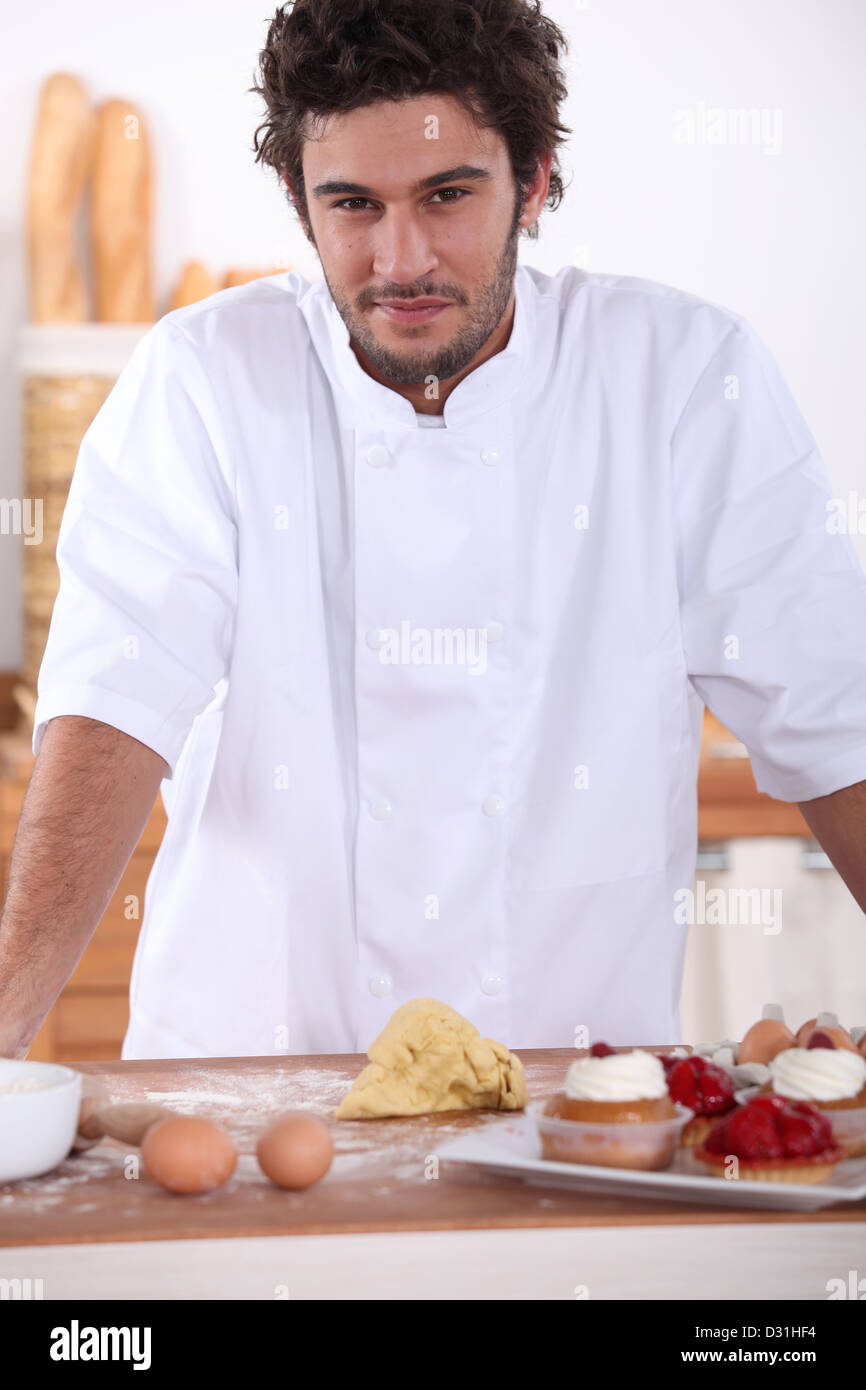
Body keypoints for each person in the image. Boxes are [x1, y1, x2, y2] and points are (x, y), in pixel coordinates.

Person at [2, 0, 865, 1061]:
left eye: (447, 195)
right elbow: (111, 707)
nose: (399, 259)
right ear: (295, 198)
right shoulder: (201, 381)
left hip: (563, 1119)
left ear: (534, 178)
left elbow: (838, 720)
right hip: (246, 1106)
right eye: (352, 204)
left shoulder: (680, 380)